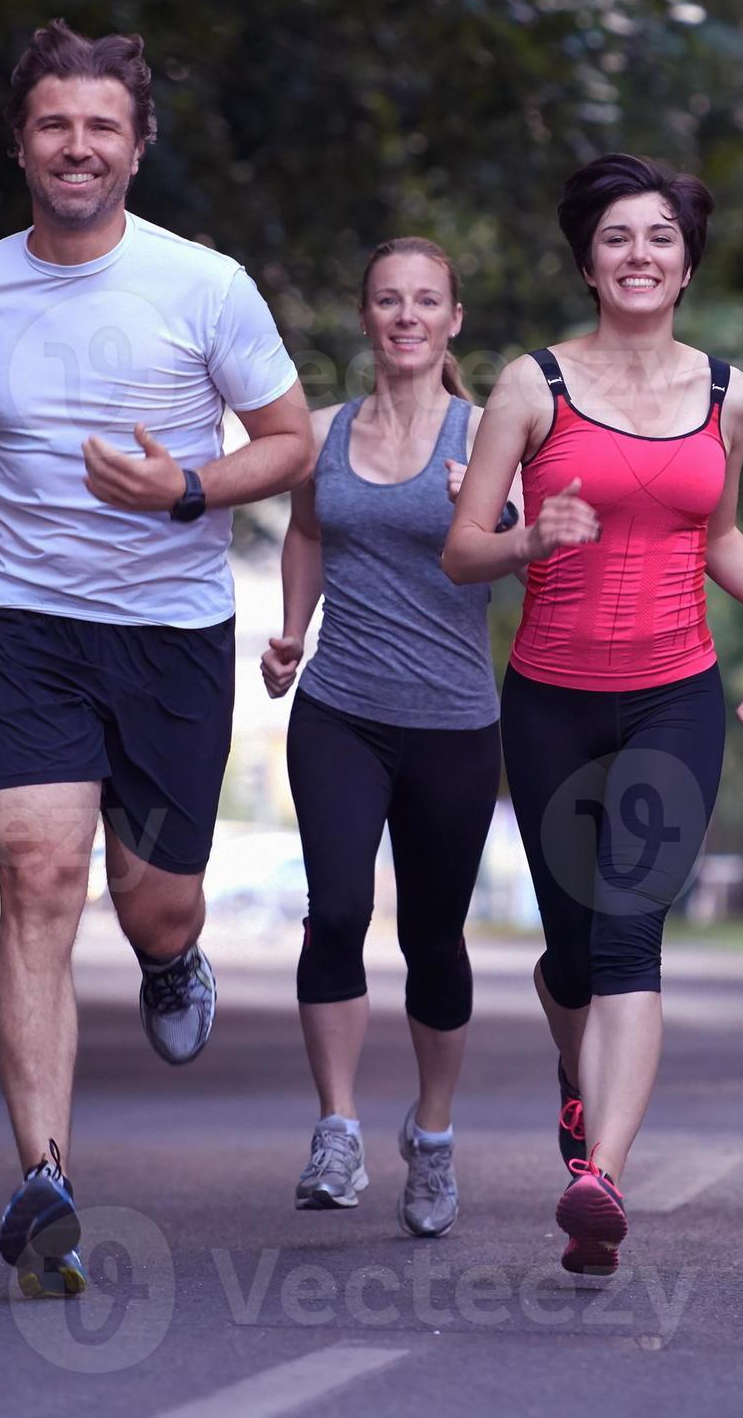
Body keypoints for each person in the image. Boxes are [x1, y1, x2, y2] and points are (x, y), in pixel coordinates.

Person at [0, 20, 314, 1299]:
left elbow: (290, 441)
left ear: (136, 149)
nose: (75, 146)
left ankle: (169, 956)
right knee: (38, 878)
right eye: (53, 124)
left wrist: (184, 486)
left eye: (100, 127)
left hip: (171, 637)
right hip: (30, 630)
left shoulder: (205, 285)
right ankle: (45, 1182)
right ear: (19, 142)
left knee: (156, 901)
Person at [443, 153, 743, 1279]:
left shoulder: (729, 395)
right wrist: (528, 540)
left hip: (674, 694)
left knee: (631, 931)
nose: (639, 254)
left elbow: (716, 537)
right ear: (588, 263)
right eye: (617, 237)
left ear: (687, 263)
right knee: (575, 954)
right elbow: (463, 547)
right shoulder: (531, 387)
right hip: (550, 701)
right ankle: (576, 1073)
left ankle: (601, 1179)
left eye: (660, 237)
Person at [259, 237, 512, 1238]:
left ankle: (433, 1135)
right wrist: (292, 628)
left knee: (432, 938)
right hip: (340, 709)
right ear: (365, 317)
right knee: (335, 909)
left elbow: (535, 555)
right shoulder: (321, 432)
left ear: (454, 321)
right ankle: (337, 1128)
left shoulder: (488, 435)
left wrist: (481, 514)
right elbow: (307, 532)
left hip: (454, 722)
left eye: (426, 301)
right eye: (388, 300)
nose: (407, 316)